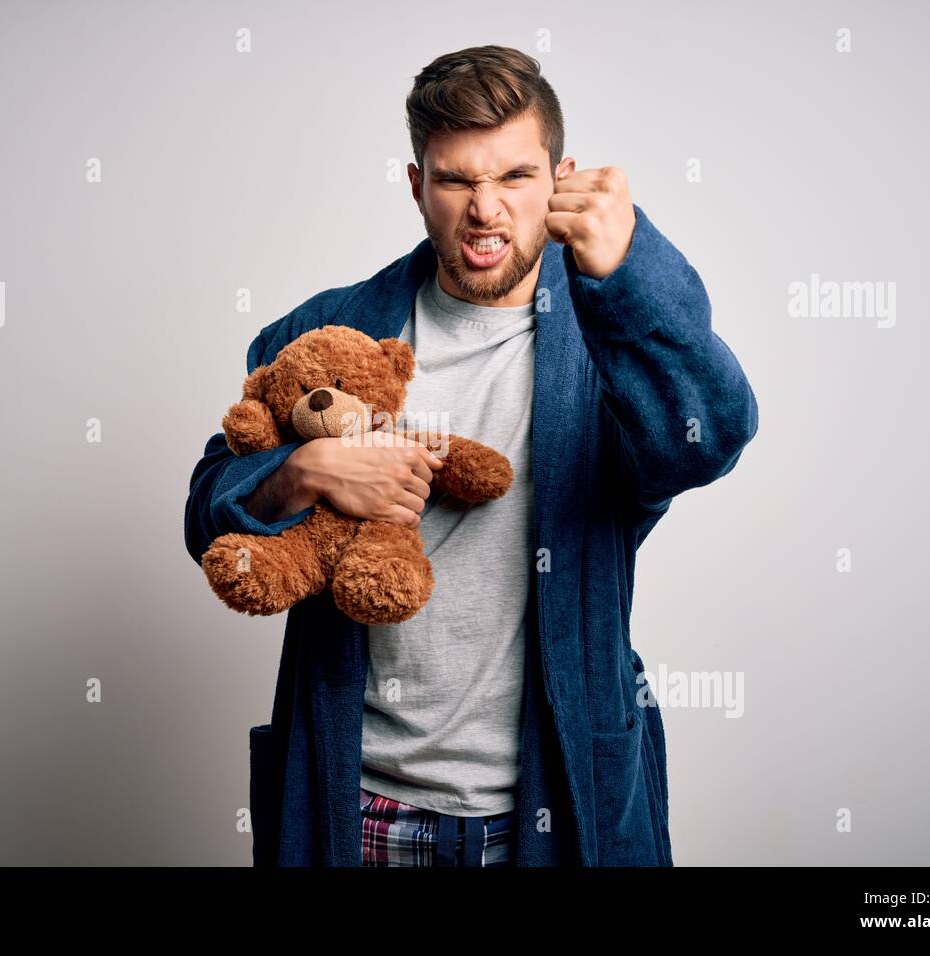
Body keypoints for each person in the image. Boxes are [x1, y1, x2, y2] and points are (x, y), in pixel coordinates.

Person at [185, 45, 759, 867]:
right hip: (363, 802)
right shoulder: (327, 333)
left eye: (515, 178)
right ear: (418, 185)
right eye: (455, 180)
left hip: (556, 801)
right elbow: (205, 512)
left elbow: (710, 436)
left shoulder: (609, 344)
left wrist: (630, 272)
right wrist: (302, 473)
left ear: (559, 179)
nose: (485, 209)